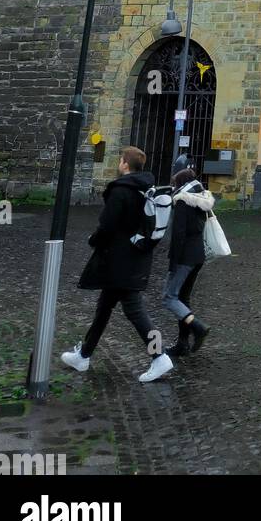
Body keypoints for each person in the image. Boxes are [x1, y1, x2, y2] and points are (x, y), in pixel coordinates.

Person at [61, 146, 173, 384]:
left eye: (121, 160)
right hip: (133, 258)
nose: (119, 163)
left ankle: (159, 356)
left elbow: (107, 224)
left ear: (124, 164)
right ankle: (84, 354)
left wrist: (94, 239)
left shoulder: (122, 190)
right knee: (104, 308)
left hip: (121, 260)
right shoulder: (145, 188)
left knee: (134, 310)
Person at [162, 167, 215, 356]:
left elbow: (178, 235)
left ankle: (198, 327)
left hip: (184, 257)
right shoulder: (201, 199)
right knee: (183, 298)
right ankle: (182, 343)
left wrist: (172, 263)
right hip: (198, 256)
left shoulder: (183, 202)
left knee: (169, 297)